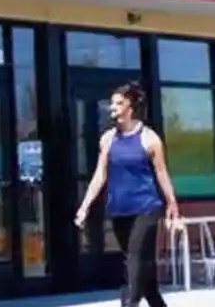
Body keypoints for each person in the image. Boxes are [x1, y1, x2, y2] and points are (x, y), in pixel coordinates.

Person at [74, 81, 180, 307]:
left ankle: (128, 304)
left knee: (134, 263)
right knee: (145, 274)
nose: (112, 108)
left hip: (146, 209)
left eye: (118, 103)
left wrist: (172, 204)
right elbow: (99, 175)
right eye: (112, 104)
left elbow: (162, 173)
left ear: (130, 107)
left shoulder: (149, 138)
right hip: (120, 210)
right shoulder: (108, 139)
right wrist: (85, 206)